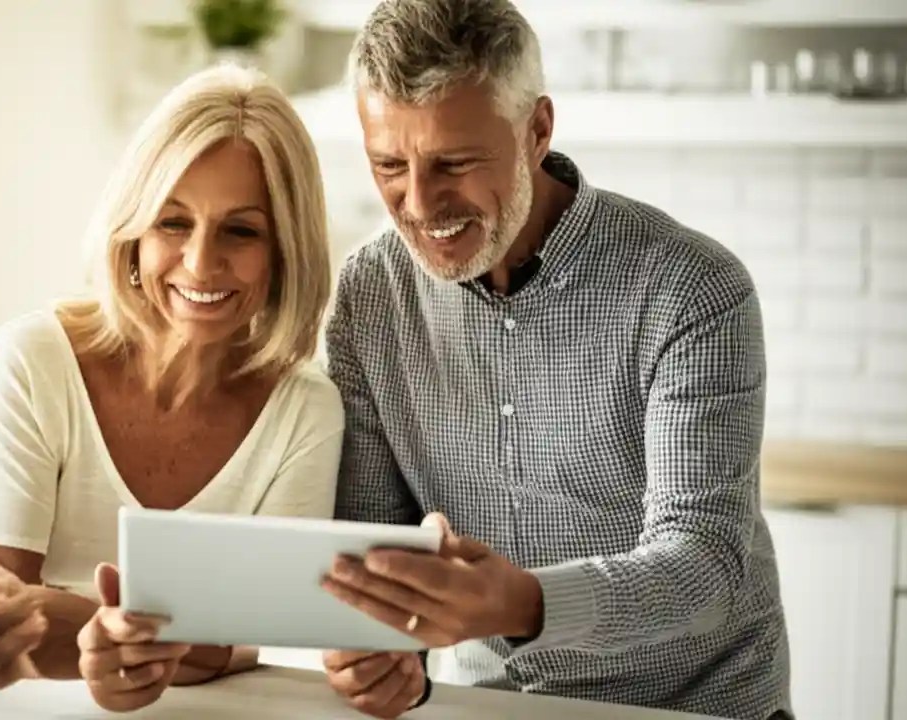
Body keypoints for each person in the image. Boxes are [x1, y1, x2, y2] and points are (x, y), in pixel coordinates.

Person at [316, 1, 792, 719]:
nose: (418, 203)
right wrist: (383, 660)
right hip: (493, 706)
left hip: (690, 706)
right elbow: (375, 544)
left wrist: (524, 603)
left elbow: (706, 564)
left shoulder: (690, 289)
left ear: (536, 130)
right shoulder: (368, 298)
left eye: (454, 162)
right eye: (389, 165)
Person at [0, 63, 344, 713]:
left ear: (286, 251)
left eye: (240, 230)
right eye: (173, 222)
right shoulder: (33, 360)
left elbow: (255, 633)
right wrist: (167, 632)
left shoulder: (305, 409)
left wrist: (82, 625)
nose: (201, 262)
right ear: (132, 230)